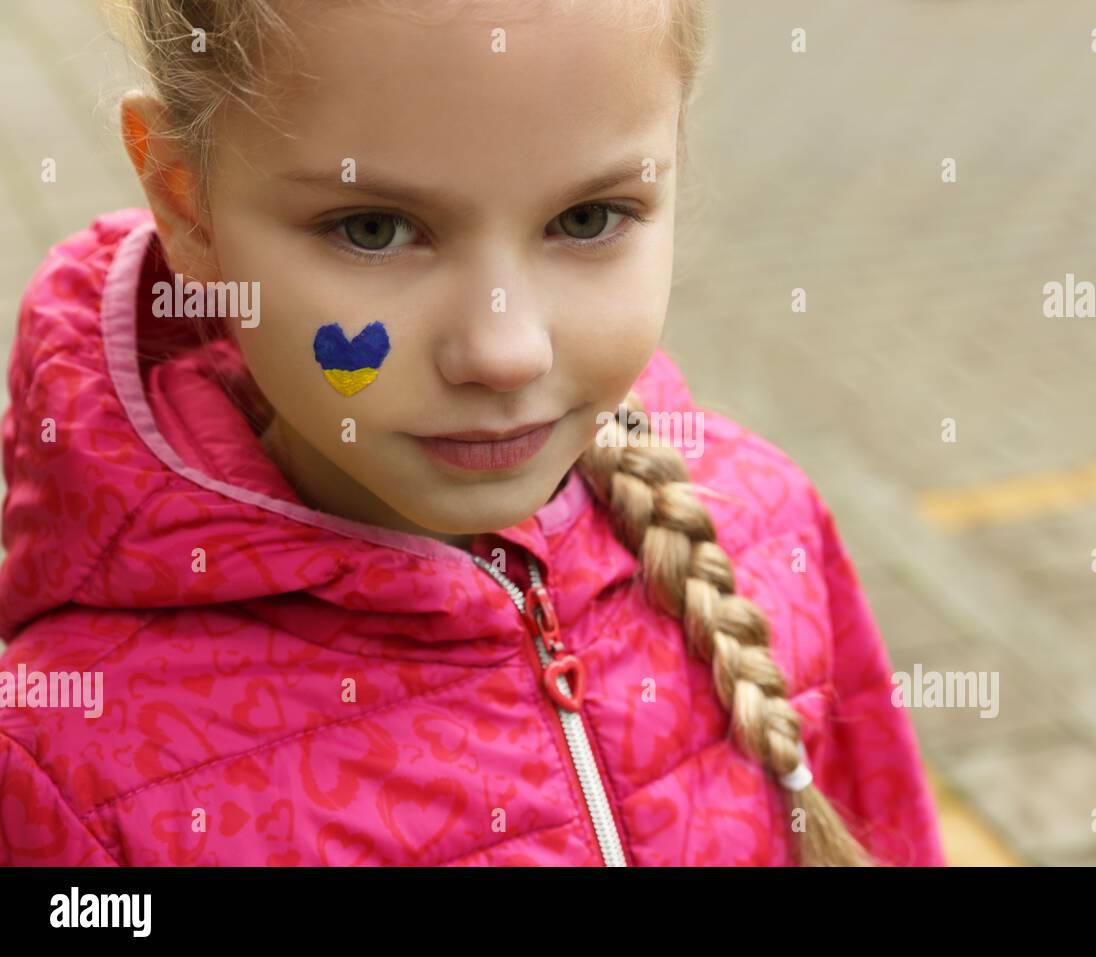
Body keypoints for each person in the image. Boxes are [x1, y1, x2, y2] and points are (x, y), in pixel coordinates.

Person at [0, 0, 944, 866]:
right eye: (373, 228)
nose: (504, 350)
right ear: (185, 204)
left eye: (587, 217)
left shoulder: (768, 531)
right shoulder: (72, 765)